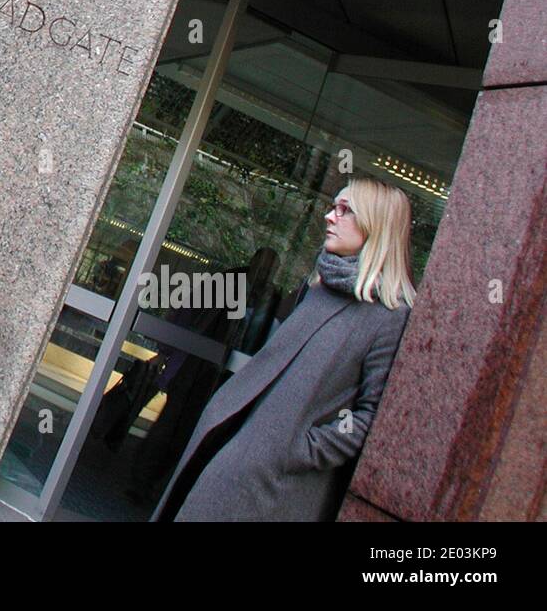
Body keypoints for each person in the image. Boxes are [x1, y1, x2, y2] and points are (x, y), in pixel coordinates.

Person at [153, 178, 416, 522]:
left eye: (344, 210)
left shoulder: (388, 315)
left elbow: (371, 416)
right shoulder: (318, 288)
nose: (329, 217)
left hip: (275, 491)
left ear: (376, 225)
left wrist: (298, 449)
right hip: (230, 456)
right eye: (333, 206)